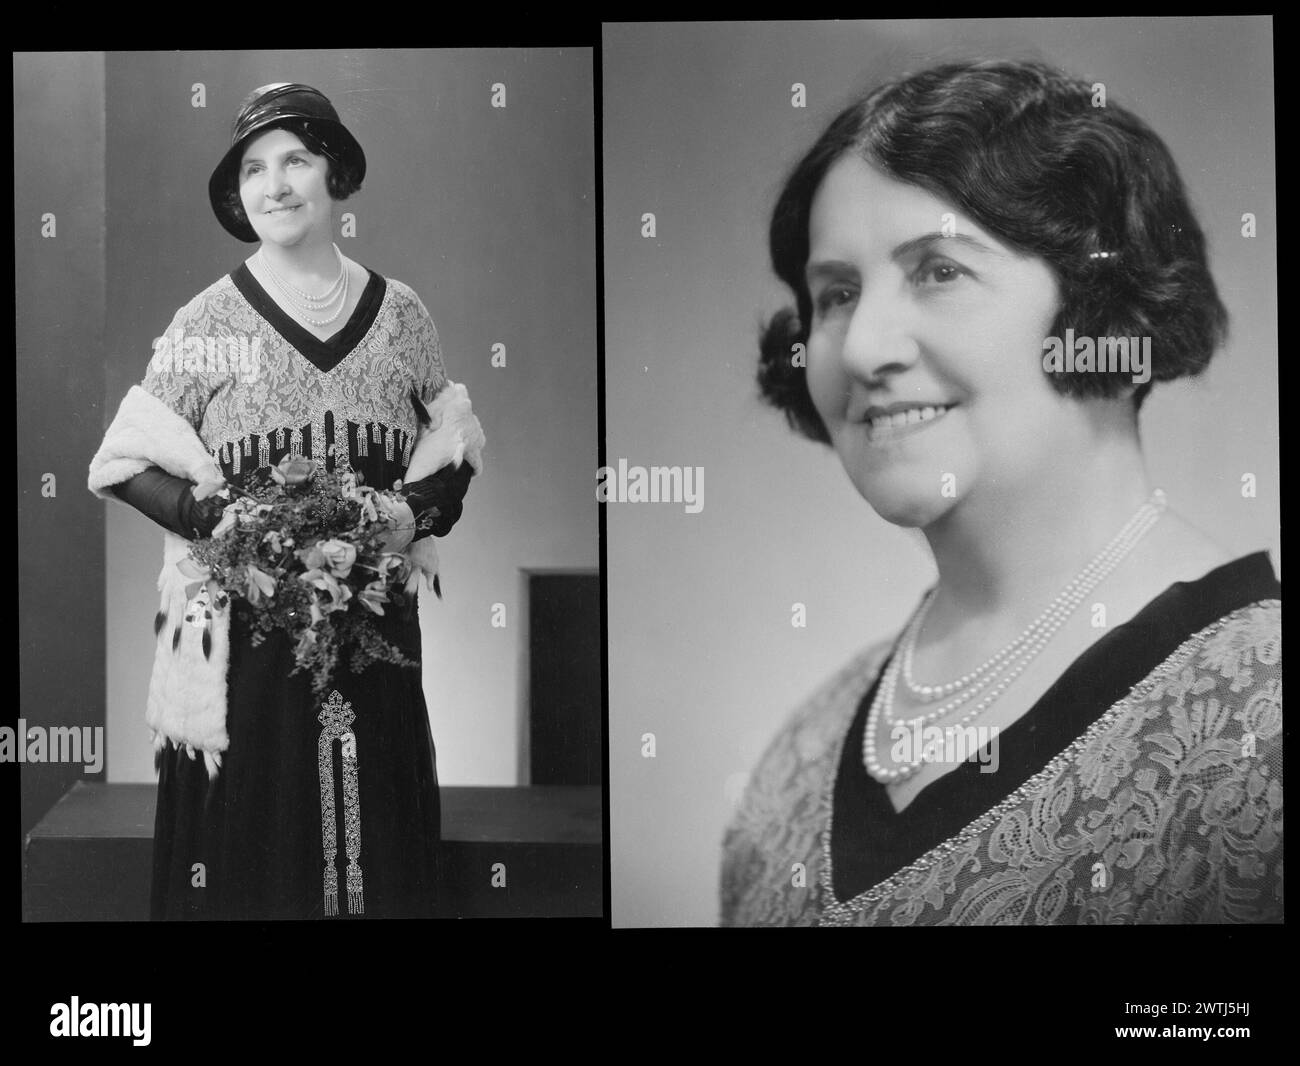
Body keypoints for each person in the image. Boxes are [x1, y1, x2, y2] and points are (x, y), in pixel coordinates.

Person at [722, 59, 1281, 926]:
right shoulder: (803, 748)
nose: (864, 348)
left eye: (939, 270)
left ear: (1104, 300)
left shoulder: (1264, 716)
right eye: (835, 294)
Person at [88, 83, 483, 919]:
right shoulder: (207, 321)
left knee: (382, 848)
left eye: (296, 159)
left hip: (379, 634)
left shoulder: (403, 315)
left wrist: (410, 515)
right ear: (238, 194)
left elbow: (454, 451)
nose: (276, 184)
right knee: (263, 861)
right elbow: (123, 461)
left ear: (333, 171)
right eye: (255, 169)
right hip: (252, 648)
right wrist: (214, 520)